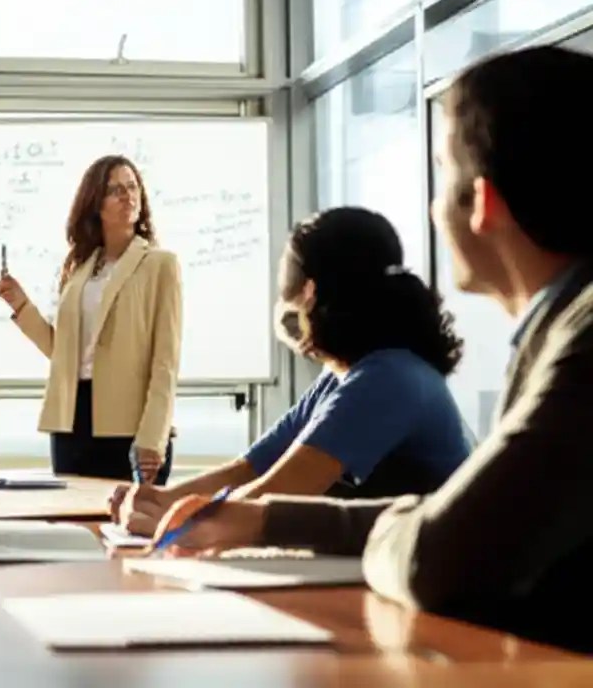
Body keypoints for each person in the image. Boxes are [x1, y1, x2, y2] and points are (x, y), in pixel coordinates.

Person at [144, 45, 593, 654]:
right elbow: (437, 519)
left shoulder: (582, 342)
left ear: (484, 202)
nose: (433, 208)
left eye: (443, 174)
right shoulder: (559, 328)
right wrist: (264, 519)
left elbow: (435, 557)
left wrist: (300, 522)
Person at [109, 207, 471, 533]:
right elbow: (250, 469)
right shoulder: (343, 376)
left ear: (310, 292)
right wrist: (162, 498)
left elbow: (276, 492)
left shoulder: (387, 379)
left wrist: (177, 522)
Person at [0, 155, 182, 483]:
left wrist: (154, 436)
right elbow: (64, 353)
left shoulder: (160, 264)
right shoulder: (79, 269)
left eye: (132, 187)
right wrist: (21, 304)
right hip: (72, 421)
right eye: (115, 190)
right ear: (95, 203)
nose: (127, 196)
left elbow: (166, 361)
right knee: (74, 514)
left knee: (129, 516)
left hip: (129, 424)